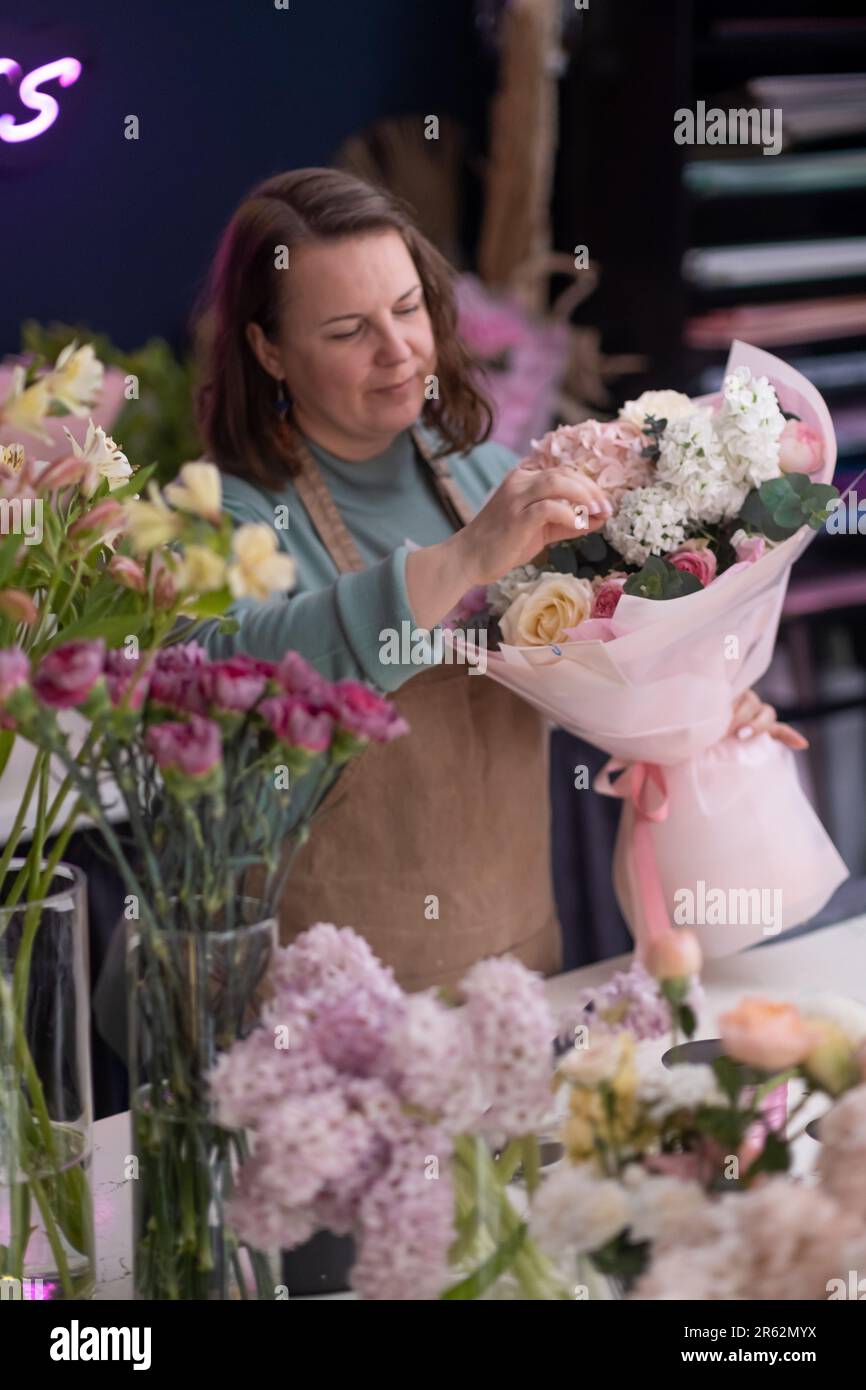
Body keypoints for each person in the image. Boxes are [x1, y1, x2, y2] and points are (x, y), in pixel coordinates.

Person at [192, 166, 807, 991]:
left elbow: (589, 659)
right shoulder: (218, 514)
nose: (399, 349)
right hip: (324, 1012)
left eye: (408, 310)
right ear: (267, 348)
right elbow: (242, 676)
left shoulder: (481, 472)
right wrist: (462, 561)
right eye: (346, 331)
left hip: (518, 971)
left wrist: (696, 704)